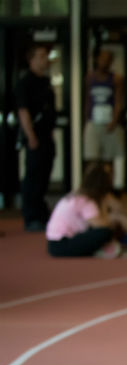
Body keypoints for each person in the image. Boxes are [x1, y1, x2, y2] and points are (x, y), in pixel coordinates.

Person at [14, 43, 57, 232]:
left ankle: (41, 214)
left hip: (47, 136)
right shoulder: (25, 83)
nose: (45, 59)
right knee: (32, 177)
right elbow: (23, 111)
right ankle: (30, 217)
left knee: (44, 176)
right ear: (31, 60)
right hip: (34, 136)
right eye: (41, 56)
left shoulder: (46, 82)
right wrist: (31, 136)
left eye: (46, 56)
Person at [45, 167, 122, 258]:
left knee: (103, 229)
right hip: (62, 244)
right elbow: (101, 225)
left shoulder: (76, 195)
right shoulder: (86, 200)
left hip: (54, 242)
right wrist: (105, 205)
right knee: (104, 232)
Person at [83, 47, 125, 180]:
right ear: (97, 60)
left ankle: (108, 187)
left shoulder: (116, 79)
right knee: (92, 158)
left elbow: (119, 101)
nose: (104, 62)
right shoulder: (90, 77)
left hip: (109, 123)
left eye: (108, 60)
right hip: (93, 121)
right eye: (102, 59)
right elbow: (87, 100)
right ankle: (91, 186)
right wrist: (86, 119)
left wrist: (114, 120)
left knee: (108, 159)